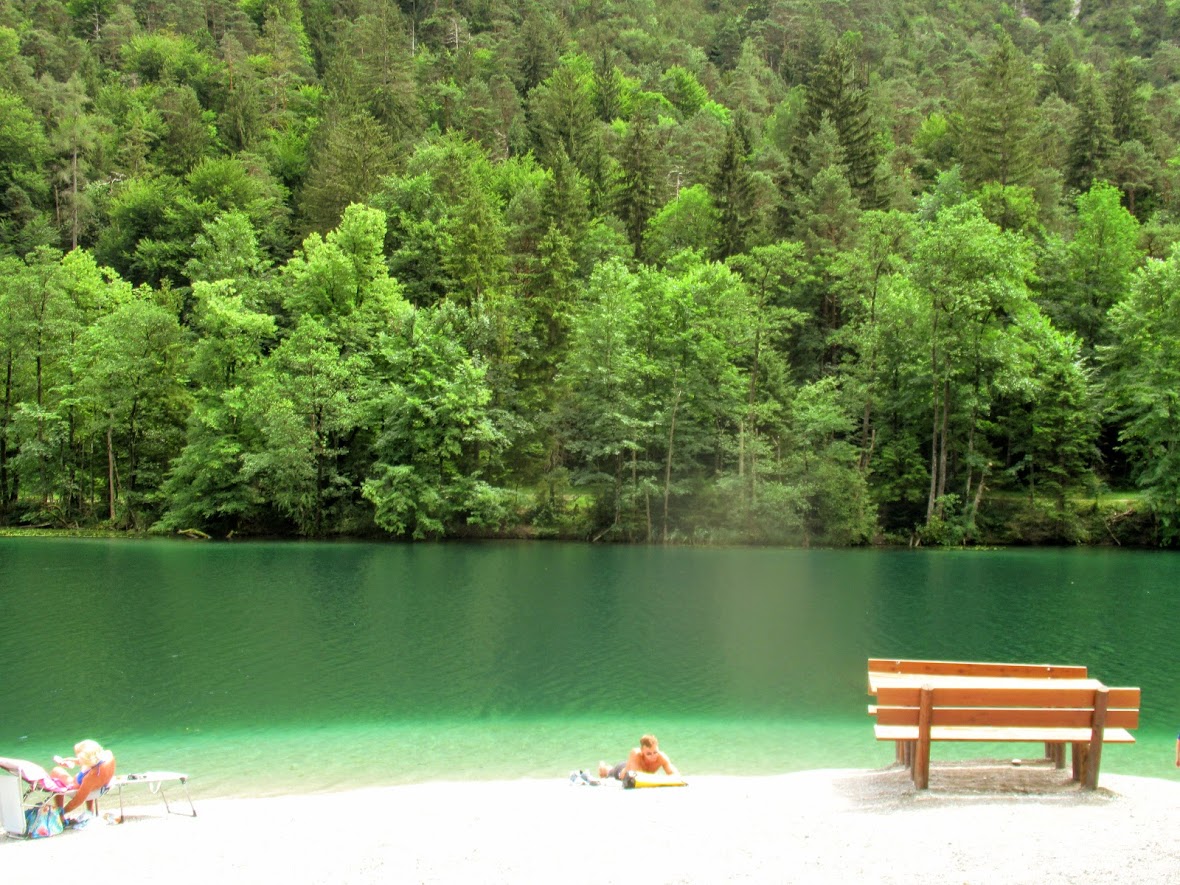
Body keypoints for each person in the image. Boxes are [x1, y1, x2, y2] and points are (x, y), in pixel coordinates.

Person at [50, 739, 116, 816]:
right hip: (99, 788)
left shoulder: (90, 777)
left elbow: (77, 801)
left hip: (77, 788)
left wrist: (62, 813)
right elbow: (91, 762)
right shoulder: (108, 756)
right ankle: (90, 810)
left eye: (80, 758)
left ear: (87, 760)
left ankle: (59, 810)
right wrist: (72, 760)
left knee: (56, 771)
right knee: (89, 781)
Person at [598, 734, 678, 781]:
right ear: (642, 751)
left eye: (655, 752)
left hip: (636, 768)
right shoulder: (635, 753)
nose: (653, 756)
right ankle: (603, 767)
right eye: (649, 754)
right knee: (606, 773)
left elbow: (675, 775)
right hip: (622, 770)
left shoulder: (662, 757)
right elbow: (637, 777)